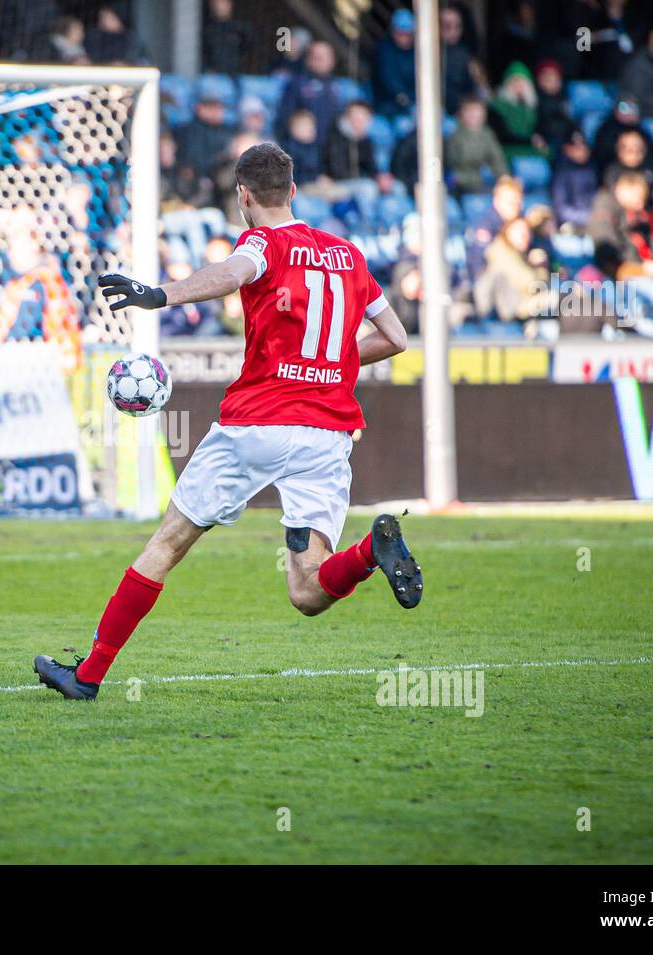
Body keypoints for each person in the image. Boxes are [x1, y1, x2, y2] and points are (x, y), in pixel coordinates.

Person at [32, 142, 418, 700]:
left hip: (256, 425)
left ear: (243, 196)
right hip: (326, 436)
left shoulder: (261, 241)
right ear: (292, 190)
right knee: (309, 591)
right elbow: (397, 338)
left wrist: (159, 294)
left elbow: (234, 272)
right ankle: (367, 554)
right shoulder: (349, 255)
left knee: (166, 545)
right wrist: (332, 364)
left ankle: (87, 676)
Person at [587, 170, 653, 280]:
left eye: (643, 199)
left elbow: (650, 237)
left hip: (645, 270)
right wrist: (642, 269)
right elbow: (608, 253)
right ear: (623, 192)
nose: (641, 204)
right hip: (617, 274)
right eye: (637, 198)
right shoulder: (606, 208)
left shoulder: (638, 213)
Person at [445, 96, 509, 194]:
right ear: (462, 113)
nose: (474, 114)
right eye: (470, 111)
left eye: (477, 110)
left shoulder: (487, 134)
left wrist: (505, 179)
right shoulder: (455, 133)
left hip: (480, 179)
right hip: (460, 182)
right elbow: (453, 162)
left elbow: (497, 159)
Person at [551, 128, 598, 230]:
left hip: (598, 218)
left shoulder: (594, 166)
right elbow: (561, 209)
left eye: (583, 145)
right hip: (574, 225)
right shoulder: (561, 172)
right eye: (575, 147)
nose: (581, 149)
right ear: (566, 149)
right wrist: (588, 217)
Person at [373, 9, 417, 117]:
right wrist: (401, 95)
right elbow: (387, 77)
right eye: (400, 34)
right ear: (392, 32)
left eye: (408, 34)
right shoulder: (384, 50)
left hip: (414, 102)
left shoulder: (419, 51)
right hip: (388, 104)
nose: (404, 38)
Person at [201, 0, 253, 77]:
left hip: (233, 75)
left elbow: (248, 43)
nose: (221, 6)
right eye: (218, 3)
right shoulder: (206, 29)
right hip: (211, 76)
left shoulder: (239, 28)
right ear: (211, 5)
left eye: (224, 3)